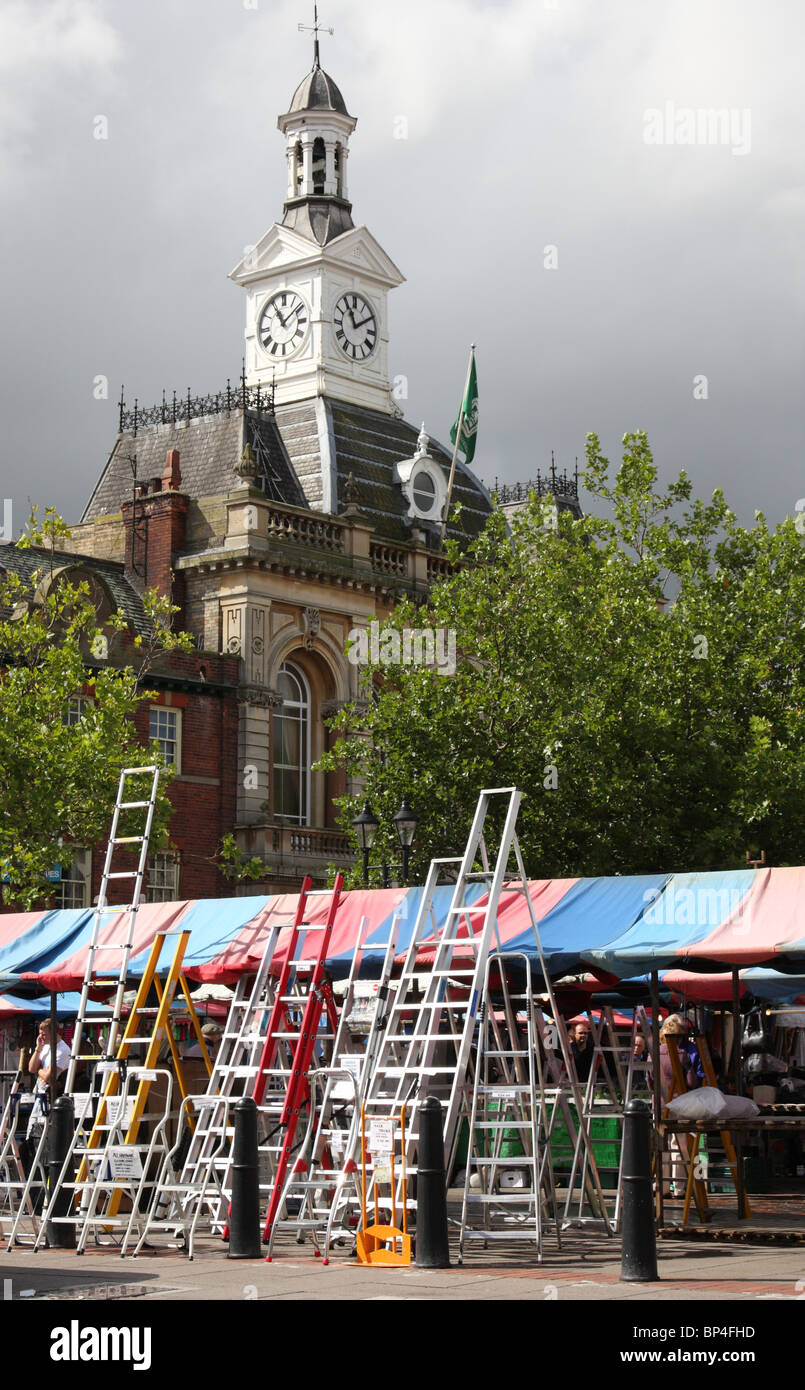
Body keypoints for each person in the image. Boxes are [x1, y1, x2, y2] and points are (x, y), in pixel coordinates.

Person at [26, 1019, 70, 1140]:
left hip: (51, 1097)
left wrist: (39, 1069)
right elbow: (30, 1068)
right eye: (40, 1033)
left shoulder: (62, 1050)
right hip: (40, 1095)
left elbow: (48, 1077)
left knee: (41, 1133)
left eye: (44, 1034)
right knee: (31, 1130)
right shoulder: (45, 1047)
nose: (41, 1037)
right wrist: (38, 1048)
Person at [568, 1019, 596, 1084]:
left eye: (585, 1033)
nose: (583, 1035)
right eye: (580, 1033)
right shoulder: (569, 1048)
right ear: (575, 1034)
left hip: (589, 1082)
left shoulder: (592, 1048)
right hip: (572, 1081)